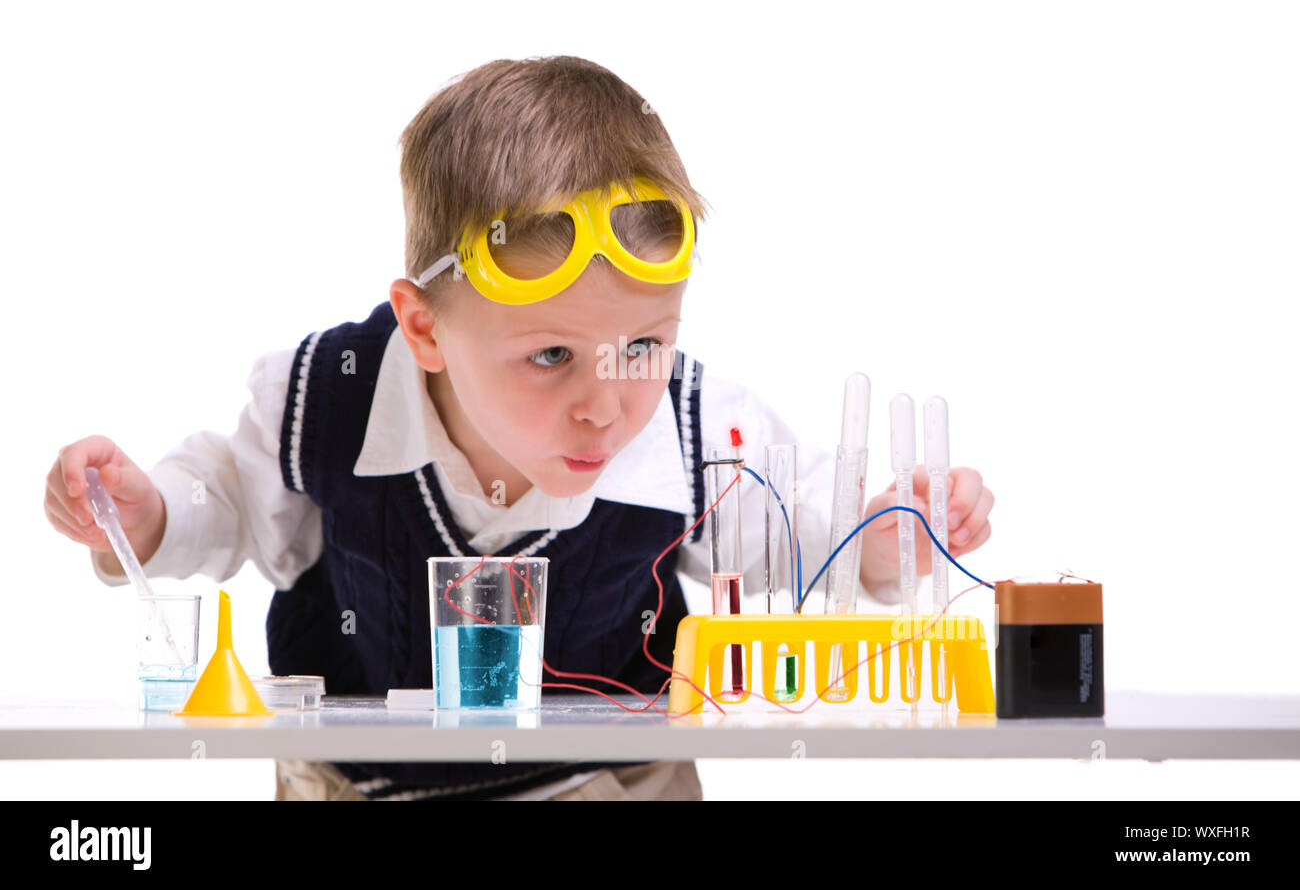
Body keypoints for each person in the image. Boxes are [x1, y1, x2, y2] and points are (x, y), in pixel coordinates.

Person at [43, 55, 994, 800]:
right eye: (550, 357)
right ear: (424, 328)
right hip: (353, 785)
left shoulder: (699, 425)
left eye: (644, 347)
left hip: (604, 786)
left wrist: (882, 539)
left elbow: (798, 530)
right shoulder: (327, 394)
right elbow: (234, 504)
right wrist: (153, 512)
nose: (606, 402)